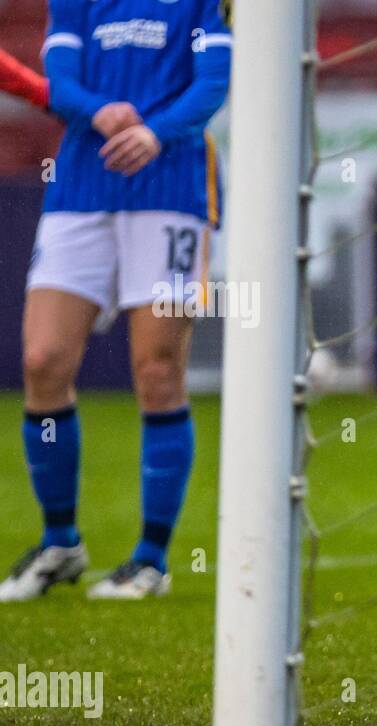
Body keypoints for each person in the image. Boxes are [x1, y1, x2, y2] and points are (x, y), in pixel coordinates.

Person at [0, 0, 232, 601]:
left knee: (157, 370)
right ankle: (60, 543)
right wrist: (98, 111)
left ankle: (150, 560)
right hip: (80, 188)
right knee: (42, 362)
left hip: (171, 187)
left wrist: (155, 133)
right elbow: (64, 83)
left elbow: (213, 82)